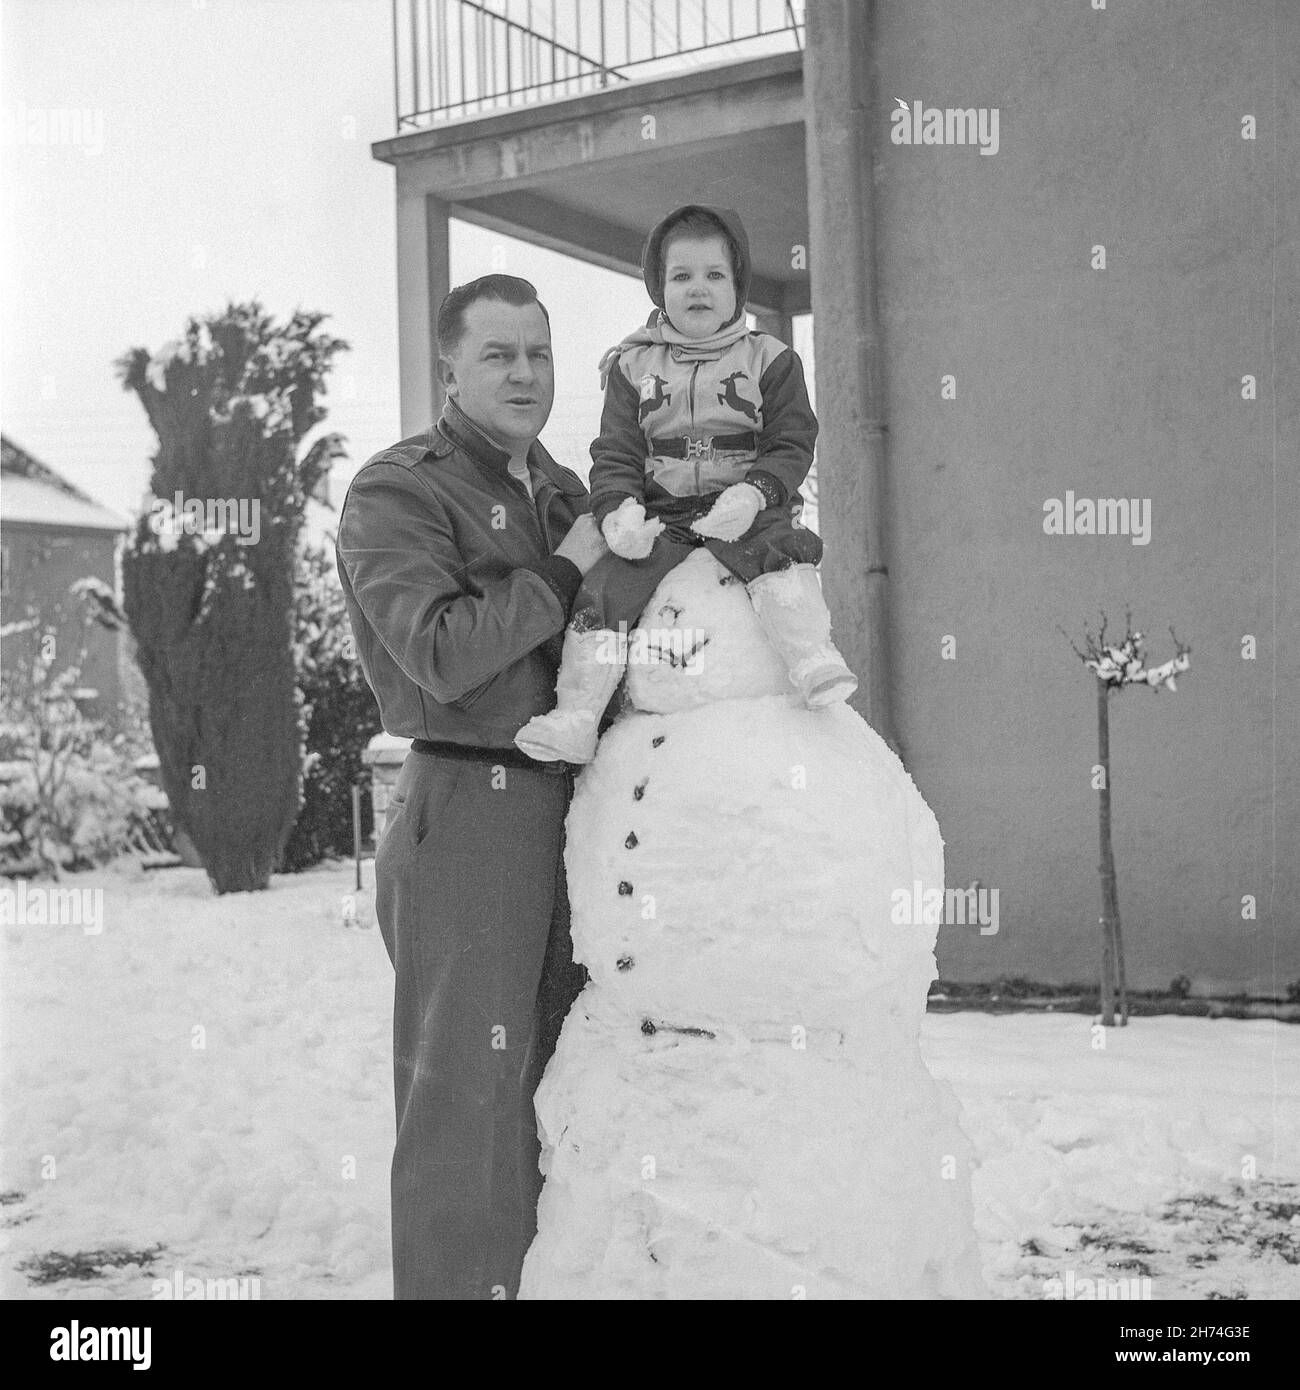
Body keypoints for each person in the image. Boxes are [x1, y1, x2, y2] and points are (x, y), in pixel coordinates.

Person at [335, 273, 608, 1300]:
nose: (525, 373)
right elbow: (443, 655)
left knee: (562, 1088)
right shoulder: (399, 488)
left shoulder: (569, 492)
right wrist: (562, 573)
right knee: (467, 1109)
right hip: (471, 811)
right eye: (499, 354)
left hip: (576, 818)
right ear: (449, 364)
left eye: (538, 353)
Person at [514, 204, 858, 766]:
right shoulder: (632, 367)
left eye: (714, 275)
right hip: (665, 513)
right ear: (659, 287)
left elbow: (793, 439)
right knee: (605, 589)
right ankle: (577, 714)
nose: (698, 289)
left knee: (778, 559)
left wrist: (756, 494)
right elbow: (616, 450)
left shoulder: (769, 359)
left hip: (748, 507)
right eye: (682, 276)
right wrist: (618, 510)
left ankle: (810, 657)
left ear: (738, 286)